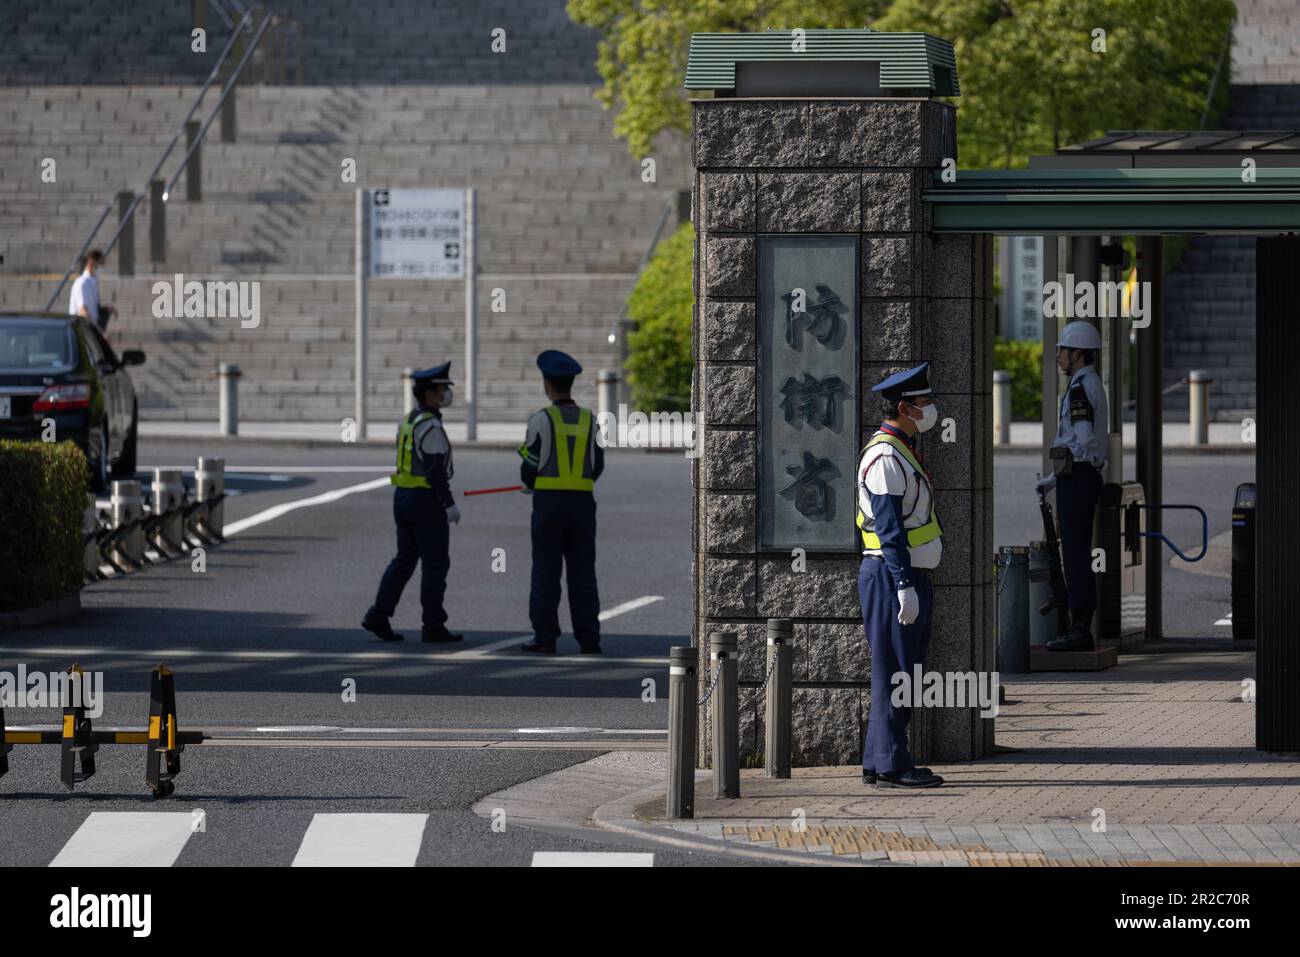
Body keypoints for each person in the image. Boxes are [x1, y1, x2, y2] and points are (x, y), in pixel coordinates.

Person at [857, 362, 945, 789]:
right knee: (896, 672)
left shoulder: (901, 449)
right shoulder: (885, 457)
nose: (932, 409)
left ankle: (881, 758)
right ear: (906, 407)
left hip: (902, 577)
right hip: (892, 578)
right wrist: (906, 584)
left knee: (902, 669)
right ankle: (892, 764)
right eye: (925, 402)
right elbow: (889, 529)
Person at [363, 362, 463, 644]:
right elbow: (434, 470)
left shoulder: (409, 419)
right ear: (430, 394)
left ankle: (378, 614)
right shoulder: (430, 426)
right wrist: (449, 504)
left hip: (404, 497)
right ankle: (433, 626)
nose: (446, 395)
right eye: (443, 389)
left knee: (404, 559)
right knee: (435, 564)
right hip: (425, 501)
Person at [516, 350, 604, 654]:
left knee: (546, 571)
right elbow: (597, 466)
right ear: (571, 383)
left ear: (547, 384)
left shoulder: (540, 420)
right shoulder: (590, 421)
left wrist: (532, 484)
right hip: (582, 504)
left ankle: (545, 636)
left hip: (548, 505)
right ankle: (589, 638)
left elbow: (529, 468)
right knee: (583, 573)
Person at [1035, 321, 1109, 652]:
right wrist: (1052, 480)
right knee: (1076, 550)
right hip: (1079, 476)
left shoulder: (1080, 388)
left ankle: (1079, 627)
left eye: (1063, 351)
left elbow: (1083, 440)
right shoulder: (1090, 383)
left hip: (1078, 478)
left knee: (1076, 553)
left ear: (1077, 353)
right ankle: (1079, 622)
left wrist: (1071, 470)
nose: (1059, 357)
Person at [68, 250, 115, 333]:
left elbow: (93, 308)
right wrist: (99, 332)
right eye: (101, 263)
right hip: (81, 331)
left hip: (89, 330)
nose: (102, 267)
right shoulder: (82, 283)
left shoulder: (92, 283)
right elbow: (83, 311)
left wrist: (105, 309)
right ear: (91, 262)